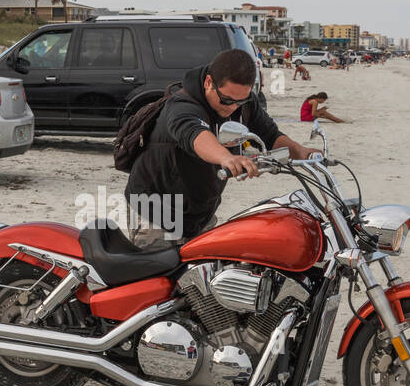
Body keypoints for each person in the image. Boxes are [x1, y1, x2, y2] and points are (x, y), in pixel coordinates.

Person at [124, 49, 317, 248]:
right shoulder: (182, 105)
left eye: (241, 100)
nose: (233, 107)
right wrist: (227, 158)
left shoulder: (245, 103)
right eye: (227, 100)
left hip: (200, 211)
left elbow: (270, 135)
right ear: (209, 82)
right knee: (158, 277)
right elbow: (195, 134)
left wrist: (300, 151)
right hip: (155, 210)